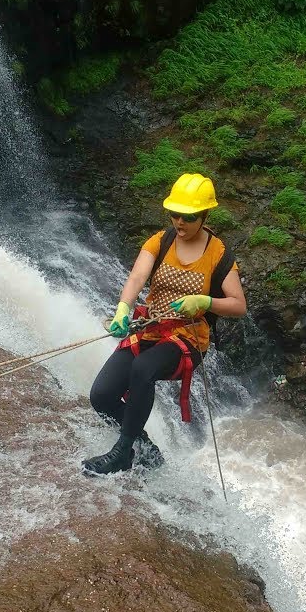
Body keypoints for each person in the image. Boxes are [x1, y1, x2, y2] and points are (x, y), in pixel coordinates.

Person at [86, 173, 246, 474]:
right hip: (150, 329)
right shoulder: (161, 241)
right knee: (102, 395)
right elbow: (137, 277)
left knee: (142, 369)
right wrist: (123, 308)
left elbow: (238, 305)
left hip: (188, 338)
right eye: (175, 215)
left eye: (188, 217)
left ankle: (122, 451)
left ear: (205, 215)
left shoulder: (219, 255)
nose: (179, 223)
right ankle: (144, 447)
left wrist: (205, 302)